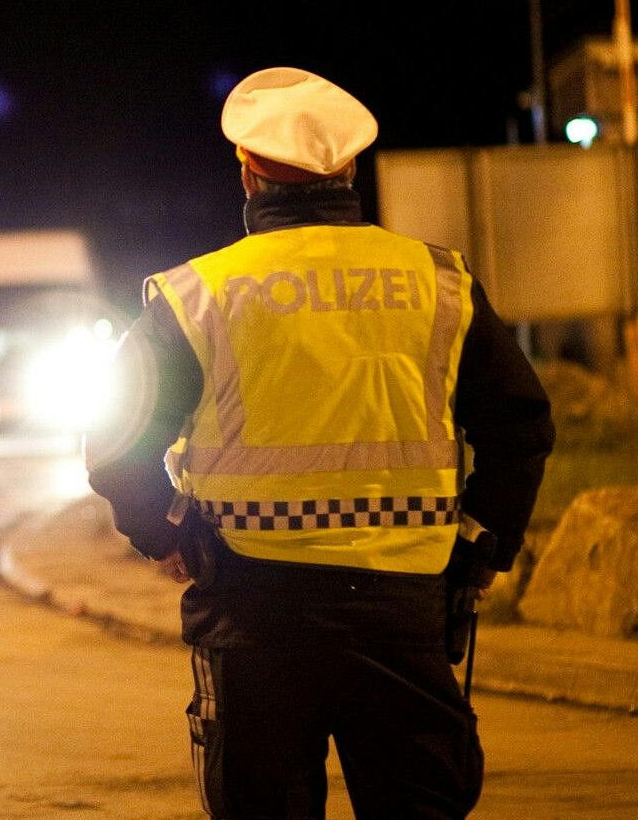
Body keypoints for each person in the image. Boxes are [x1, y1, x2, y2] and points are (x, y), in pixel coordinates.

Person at [85, 67, 552, 819]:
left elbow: (114, 439)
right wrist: (481, 548)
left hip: (252, 612)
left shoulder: (197, 294)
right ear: (350, 169)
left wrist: (166, 531)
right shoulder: (438, 283)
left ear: (247, 172)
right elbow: (520, 424)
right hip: (404, 615)